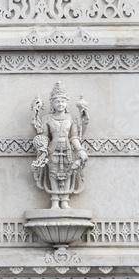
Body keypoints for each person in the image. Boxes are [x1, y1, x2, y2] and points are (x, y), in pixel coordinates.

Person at [31, 81, 88, 209]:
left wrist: (80, 150)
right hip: (53, 149)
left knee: (68, 171)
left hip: (67, 148)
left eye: (62, 101)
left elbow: (73, 137)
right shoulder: (47, 119)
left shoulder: (72, 118)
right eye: (57, 101)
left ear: (66, 103)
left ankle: (65, 201)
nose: (60, 104)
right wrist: (41, 146)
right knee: (53, 172)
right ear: (52, 103)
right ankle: (55, 201)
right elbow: (45, 136)